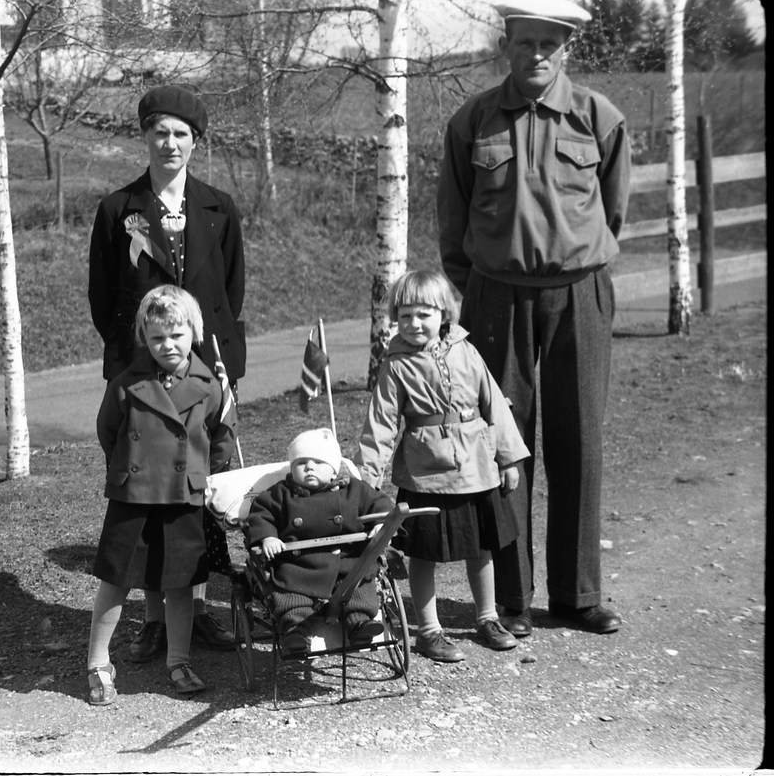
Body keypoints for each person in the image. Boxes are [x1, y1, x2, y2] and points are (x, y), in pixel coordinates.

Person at [437, 0, 630, 637]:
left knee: (580, 438)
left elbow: (614, 210)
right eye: (525, 42)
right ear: (506, 46)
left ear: (566, 49)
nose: (537, 54)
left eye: (550, 43)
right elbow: (453, 217)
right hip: (496, 294)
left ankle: (578, 594)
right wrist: (473, 289)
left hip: (579, 292)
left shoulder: (598, 116)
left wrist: (583, 264)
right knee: (501, 442)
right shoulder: (472, 120)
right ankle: (510, 597)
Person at [88, 84, 245, 659]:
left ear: (196, 142)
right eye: (160, 132)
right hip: (142, 373)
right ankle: (155, 619)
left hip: (204, 368)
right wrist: (133, 358)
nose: (170, 143)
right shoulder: (118, 210)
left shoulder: (219, 208)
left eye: (181, 134)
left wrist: (218, 367)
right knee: (151, 492)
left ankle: (195, 611)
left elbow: (231, 291)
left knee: (197, 490)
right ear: (145, 137)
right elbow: (103, 297)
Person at [358, 270, 531, 663]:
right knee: (423, 554)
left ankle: (487, 618)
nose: (414, 323)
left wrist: (508, 459)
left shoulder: (466, 350)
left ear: (443, 314)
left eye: (424, 314)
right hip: (426, 476)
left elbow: (494, 404)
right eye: (405, 316)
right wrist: (366, 484)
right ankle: (429, 630)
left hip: (476, 468)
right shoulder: (396, 365)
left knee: (481, 548)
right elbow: (380, 427)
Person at [87, 285, 237, 705]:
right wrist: (128, 466)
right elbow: (108, 430)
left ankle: (179, 660)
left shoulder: (209, 386)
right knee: (116, 580)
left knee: (180, 583)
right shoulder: (126, 383)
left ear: (194, 333)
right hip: (133, 496)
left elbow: (222, 437)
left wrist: (202, 476)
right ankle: (98, 662)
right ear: (144, 338)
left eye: (176, 335)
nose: (167, 345)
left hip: (181, 498)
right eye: (157, 338)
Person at [244, 428, 396, 654]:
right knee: (291, 597)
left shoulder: (354, 490)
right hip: (299, 565)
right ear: (292, 468)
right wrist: (268, 537)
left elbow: (380, 504)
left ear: (334, 469)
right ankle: (296, 631)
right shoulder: (280, 494)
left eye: (318, 462)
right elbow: (260, 515)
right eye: (301, 463)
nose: (309, 467)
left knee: (359, 589)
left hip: (347, 561)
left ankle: (360, 623)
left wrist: (380, 523)